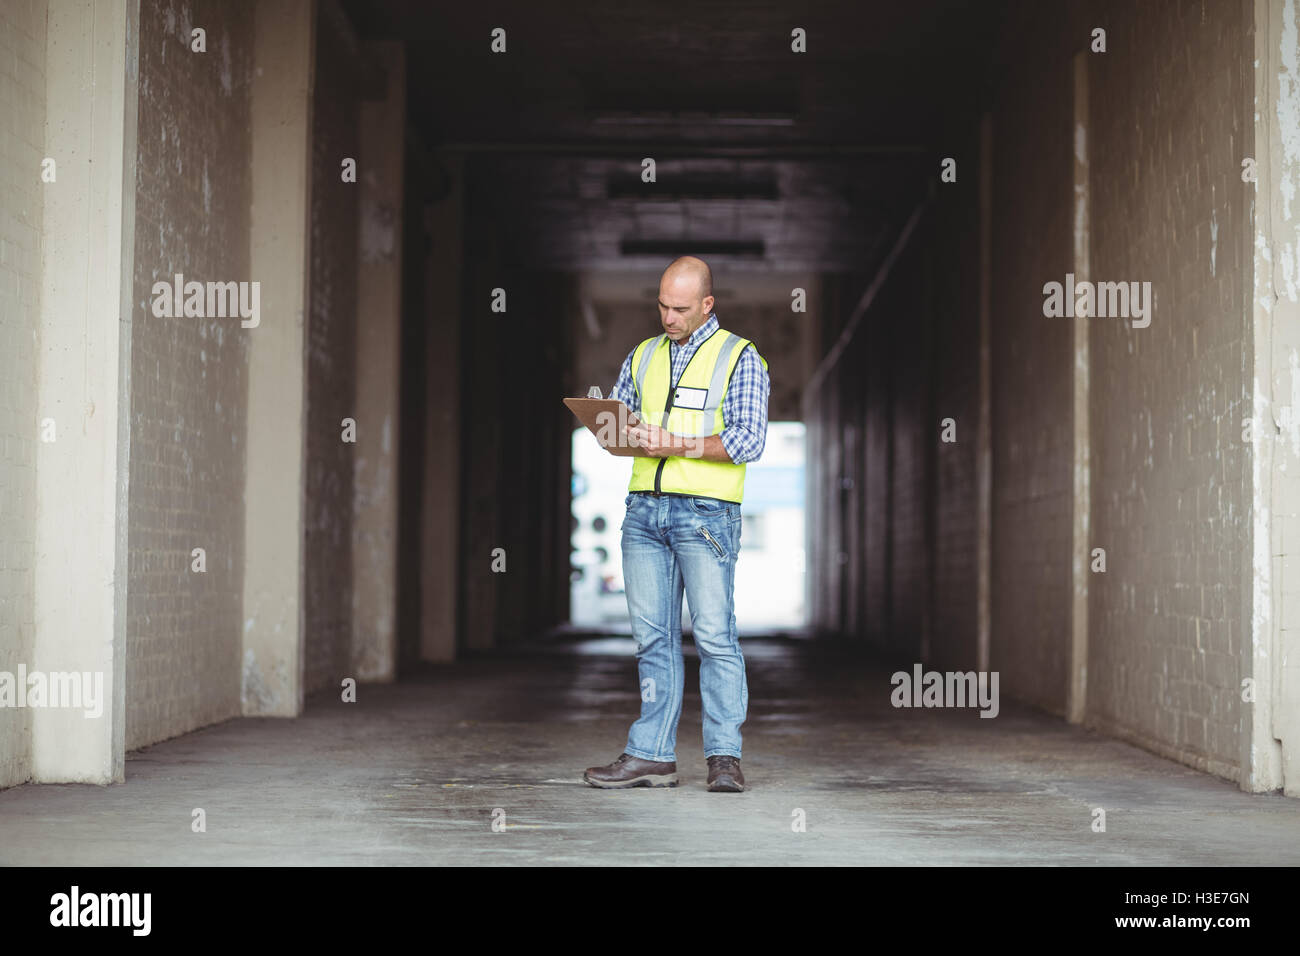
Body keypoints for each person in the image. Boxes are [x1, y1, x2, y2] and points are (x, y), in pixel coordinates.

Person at [583, 256, 770, 793]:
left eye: (680, 308)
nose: (668, 316)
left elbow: (748, 440)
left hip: (706, 513)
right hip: (644, 512)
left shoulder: (739, 358)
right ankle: (652, 755)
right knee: (652, 639)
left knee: (713, 636)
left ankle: (724, 758)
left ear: (707, 305)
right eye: (662, 305)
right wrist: (615, 429)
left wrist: (677, 444)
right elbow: (622, 423)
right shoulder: (643, 354)